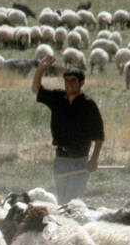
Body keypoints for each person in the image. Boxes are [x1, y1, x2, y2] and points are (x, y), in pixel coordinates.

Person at [32, 54, 105, 204]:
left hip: (79, 160)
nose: (69, 84)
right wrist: (40, 69)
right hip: (60, 160)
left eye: (73, 81)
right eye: (66, 81)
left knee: (71, 202)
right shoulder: (58, 98)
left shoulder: (88, 105)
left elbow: (99, 136)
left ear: (81, 83)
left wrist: (94, 160)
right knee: (61, 201)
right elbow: (36, 89)